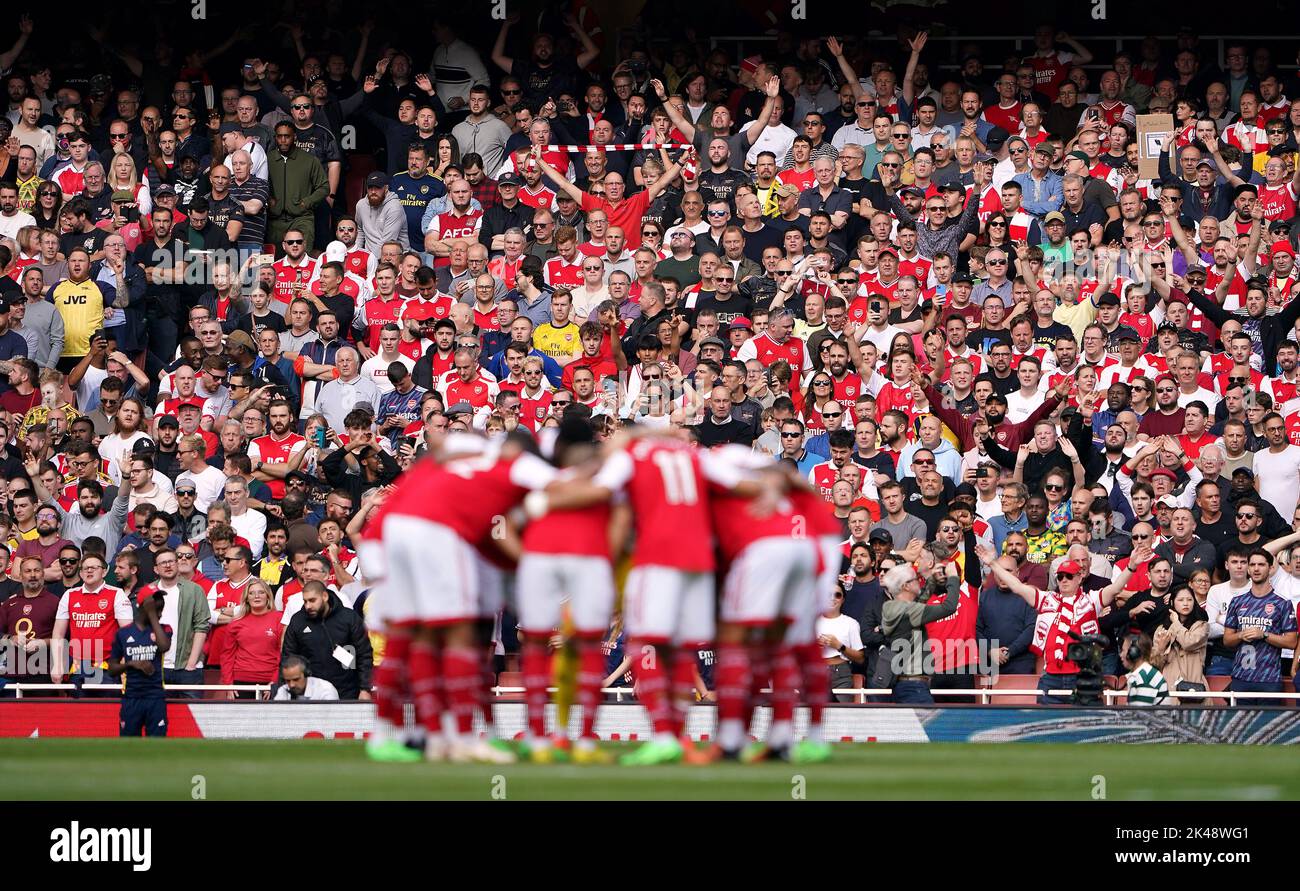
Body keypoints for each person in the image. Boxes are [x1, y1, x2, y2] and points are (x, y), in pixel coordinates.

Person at [280, 580, 372, 701]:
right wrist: (286, 691)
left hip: (347, 692)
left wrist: (365, 689)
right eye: (305, 601)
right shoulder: (297, 621)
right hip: (310, 694)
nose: (308, 606)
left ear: (324, 596)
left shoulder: (349, 618)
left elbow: (364, 655)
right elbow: (288, 657)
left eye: (312, 600)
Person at [106, 589, 170, 736]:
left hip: (155, 697)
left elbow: (164, 646)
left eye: (161, 609)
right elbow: (111, 668)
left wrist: (153, 615)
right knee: (128, 748)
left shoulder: (164, 629)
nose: (160, 613)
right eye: (157, 609)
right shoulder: (124, 633)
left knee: (157, 747)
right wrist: (130, 664)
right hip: (131, 698)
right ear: (143, 607)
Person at [219, 579, 282, 697]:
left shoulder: (279, 619)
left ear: (268, 596)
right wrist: (228, 684)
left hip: (270, 681)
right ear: (246, 598)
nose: (256, 596)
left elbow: (283, 653)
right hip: (241, 682)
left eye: (261, 592)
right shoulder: (235, 623)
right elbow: (227, 655)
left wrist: (274, 681)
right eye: (251, 593)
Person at [1119, 633, 1169, 706]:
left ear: (1133, 652)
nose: (1121, 655)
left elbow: (1140, 715)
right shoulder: (1143, 674)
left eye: (1123, 650)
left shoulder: (1144, 678)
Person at [272, 654, 340, 700]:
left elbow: (330, 719)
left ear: (307, 674)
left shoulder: (325, 690)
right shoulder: (283, 690)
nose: (291, 685)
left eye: (296, 679)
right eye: (287, 681)